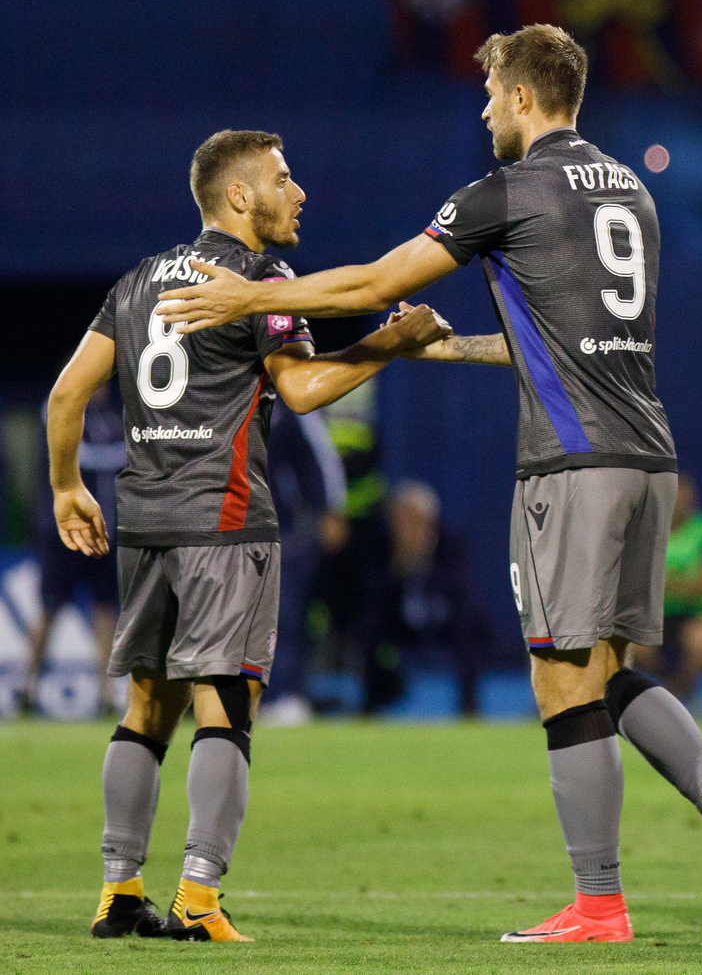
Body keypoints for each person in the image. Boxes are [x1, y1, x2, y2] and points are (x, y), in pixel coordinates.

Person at [156, 25, 702, 944]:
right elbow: (575, 344)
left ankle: (599, 904)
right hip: (649, 455)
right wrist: (442, 344)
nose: (485, 108)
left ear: (525, 98)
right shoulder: (630, 189)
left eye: (492, 93)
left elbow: (375, 277)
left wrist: (245, 297)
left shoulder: (506, 192)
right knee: (608, 668)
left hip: (572, 466)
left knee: (559, 676)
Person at [52, 129, 449, 942]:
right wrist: (389, 344)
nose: (297, 191)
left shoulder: (137, 280)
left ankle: (119, 889)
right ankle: (199, 898)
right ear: (239, 196)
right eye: (282, 177)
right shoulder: (264, 278)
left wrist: (65, 488)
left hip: (145, 522)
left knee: (144, 709)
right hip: (226, 521)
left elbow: (63, 397)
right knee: (226, 706)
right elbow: (300, 391)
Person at [24, 381, 123, 715]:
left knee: (106, 608)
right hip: (63, 531)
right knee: (50, 606)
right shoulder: (56, 412)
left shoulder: (112, 419)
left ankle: (106, 692)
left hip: (104, 530)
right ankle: (27, 684)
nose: (99, 388)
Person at [359, 480, 493, 715]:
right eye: (400, 518)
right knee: (370, 628)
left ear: (429, 520)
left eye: (413, 518)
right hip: (401, 622)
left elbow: (458, 589)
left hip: (442, 618)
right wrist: (399, 567)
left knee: (469, 628)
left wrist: (424, 561)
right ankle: (372, 701)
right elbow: (374, 594)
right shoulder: (383, 544)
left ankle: (469, 704)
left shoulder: (450, 542)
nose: (405, 525)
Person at [258, 401, 345, 725]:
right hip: (224, 527)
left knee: (285, 613)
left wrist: (330, 507)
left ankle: (286, 695)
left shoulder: (285, 399)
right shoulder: (216, 390)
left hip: (282, 529)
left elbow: (319, 455)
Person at [629, 474, 702, 708]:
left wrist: (663, 581)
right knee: (627, 642)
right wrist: (684, 580)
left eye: (685, 493)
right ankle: (667, 689)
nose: (679, 500)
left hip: (696, 616)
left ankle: (681, 691)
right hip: (650, 618)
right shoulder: (643, 530)